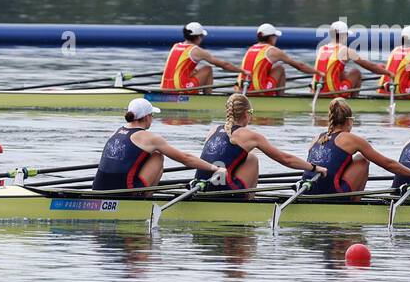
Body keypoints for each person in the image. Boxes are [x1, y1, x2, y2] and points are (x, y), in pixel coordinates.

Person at [194, 93, 325, 193]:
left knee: (245, 157)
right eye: (251, 112)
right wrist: (313, 167)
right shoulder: (250, 136)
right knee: (252, 159)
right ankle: (249, 201)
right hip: (223, 189)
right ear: (246, 113)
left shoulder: (212, 131)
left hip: (200, 187)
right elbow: (285, 159)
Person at [92, 99, 223, 193]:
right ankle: (146, 199)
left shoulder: (116, 131)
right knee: (158, 156)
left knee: (145, 156)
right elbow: (185, 158)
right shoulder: (150, 138)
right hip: (124, 191)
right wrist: (214, 168)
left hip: (98, 187)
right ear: (147, 117)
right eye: (152, 115)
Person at [304, 98, 410, 198]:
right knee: (362, 160)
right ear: (349, 121)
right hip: (331, 193)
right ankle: (355, 205)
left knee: (349, 160)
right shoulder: (351, 139)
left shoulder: (317, 138)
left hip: (306, 191)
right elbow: (387, 164)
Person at [236, 23, 318, 94]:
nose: (276, 39)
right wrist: (318, 73)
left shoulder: (250, 49)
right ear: (271, 37)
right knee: (279, 68)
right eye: (275, 37)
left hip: (240, 89)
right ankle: (280, 98)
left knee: (269, 68)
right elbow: (300, 66)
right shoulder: (273, 51)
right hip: (259, 91)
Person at [161, 21, 242, 92]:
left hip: (164, 88)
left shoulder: (175, 46)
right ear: (198, 37)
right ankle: (208, 99)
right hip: (181, 89)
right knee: (208, 69)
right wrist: (242, 71)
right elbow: (224, 65)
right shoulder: (196, 50)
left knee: (194, 70)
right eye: (202, 36)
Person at [312, 20, 389, 93]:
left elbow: (332, 71)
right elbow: (371, 67)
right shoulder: (346, 51)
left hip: (317, 90)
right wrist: (389, 73)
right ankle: (353, 99)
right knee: (356, 73)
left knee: (345, 73)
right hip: (333, 92)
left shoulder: (321, 49)